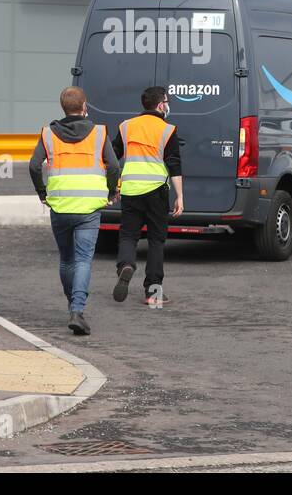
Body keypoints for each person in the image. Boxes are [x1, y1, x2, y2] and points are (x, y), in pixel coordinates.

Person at [28, 86, 120, 335]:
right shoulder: (99, 133)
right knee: (83, 260)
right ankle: (77, 310)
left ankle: (72, 304)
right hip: (89, 208)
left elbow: (34, 166)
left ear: (63, 107)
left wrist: (42, 193)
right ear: (84, 106)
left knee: (67, 259)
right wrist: (112, 192)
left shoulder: (48, 134)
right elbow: (113, 166)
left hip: (59, 206)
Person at [112, 86, 183, 306]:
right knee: (155, 240)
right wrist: (180, 195)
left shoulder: (126, 127)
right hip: (156, 191)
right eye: (167, 101)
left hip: (131, 189)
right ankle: (153, 292)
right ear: (161, 104)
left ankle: (126, 264)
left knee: (128, 236)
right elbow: (174, 164)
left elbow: (114, 156)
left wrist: (114, 185)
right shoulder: (167, 129)